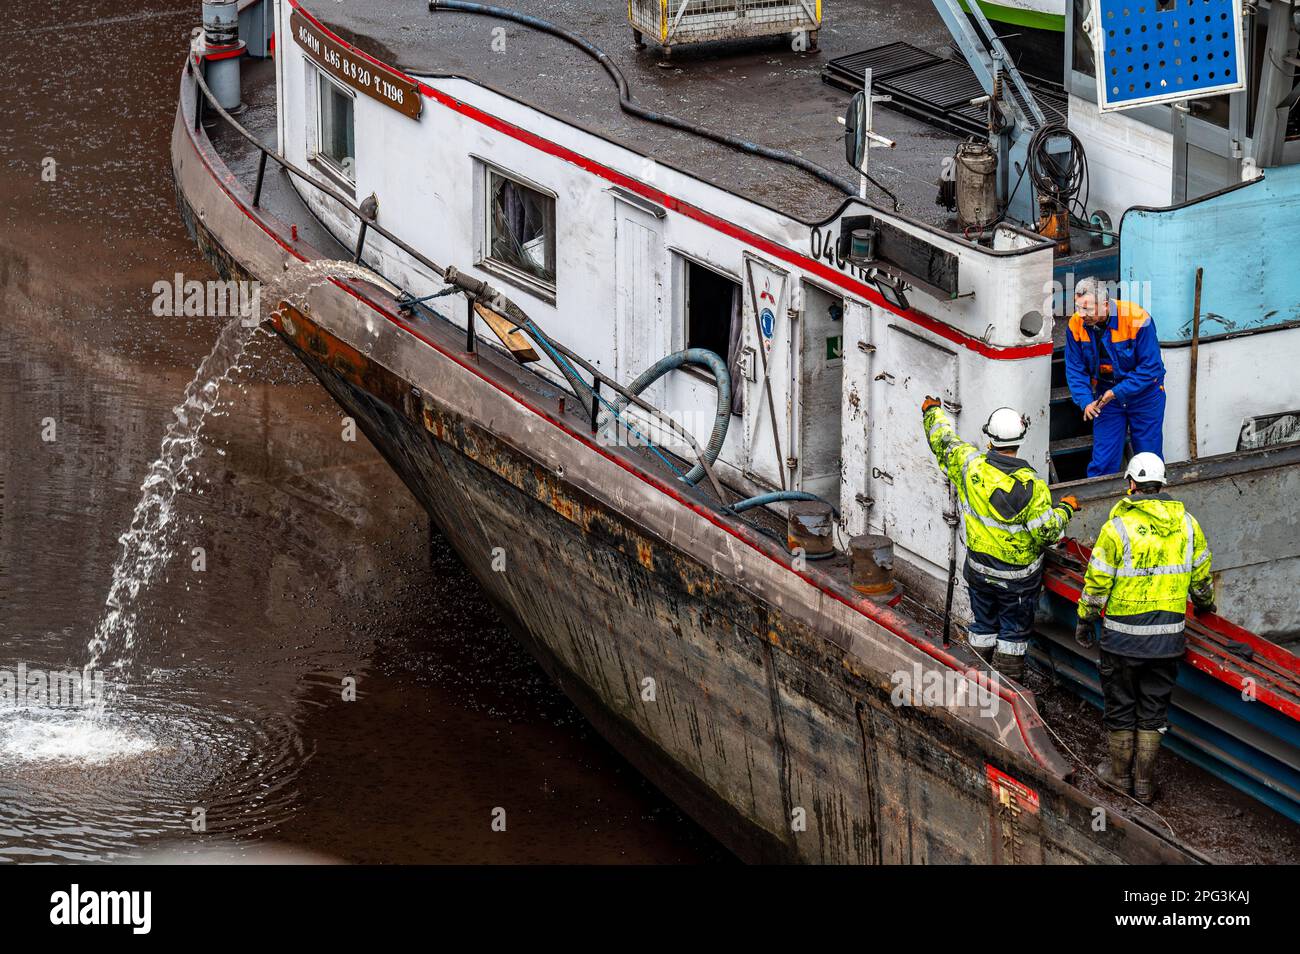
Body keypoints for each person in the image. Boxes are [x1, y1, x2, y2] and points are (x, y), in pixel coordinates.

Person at [1074, 452, 1215, 804]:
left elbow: (1097, 583)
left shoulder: (1117, 528)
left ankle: (1119, 777)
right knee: (1153, 709)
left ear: (1132, 484)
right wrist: (1205, 605)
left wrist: (1085, 618)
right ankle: (1144, 785)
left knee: (1121, 705)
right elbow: (1201, 576)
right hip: (1167, 642)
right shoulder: (1188, 524)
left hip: (1122, 640)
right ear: (1163, 485)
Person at [923, 397, 1080, 681]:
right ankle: (1006, 688)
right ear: (1020, 439)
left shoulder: (970, 466)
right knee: (1013, 635)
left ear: (990, 439)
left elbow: (944, 441)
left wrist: (932, 411)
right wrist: (1066, 508)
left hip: (980, 572)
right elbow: (1047, 533)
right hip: (1018, 581)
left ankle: (975, 681)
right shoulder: (1033, 487)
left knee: (983, 625)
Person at [1064, 278, 1167, 477]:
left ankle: (1154, 501)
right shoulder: (1075, 324)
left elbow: (1151, 367)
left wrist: (1116, 392)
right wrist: (1086, 401)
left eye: (1087, 309)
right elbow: (1075, 369)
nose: (1082, 314)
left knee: (1149, 460)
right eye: (1078, 308)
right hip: (1105, 397)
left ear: (1105, 304)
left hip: (1145, 395)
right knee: (1103, 462)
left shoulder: (1137, 318)